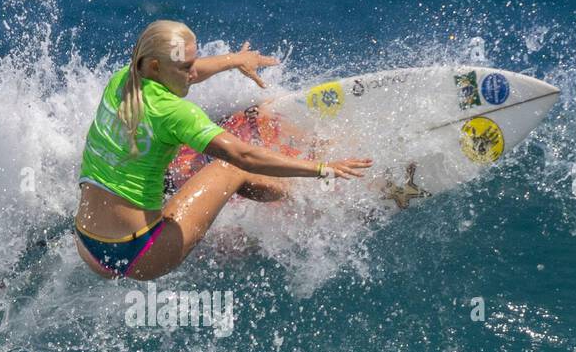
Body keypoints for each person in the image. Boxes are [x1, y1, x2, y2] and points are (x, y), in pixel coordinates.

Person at [75, 20, 372, 280]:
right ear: (155, 66)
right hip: (142, 255)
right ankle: (301, 199)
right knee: (230, 168)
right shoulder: (176, 113)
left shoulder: (122, 80)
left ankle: (171, 182)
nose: (193, 73)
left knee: (158, 155)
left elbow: (184, 70)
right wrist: (322, 169)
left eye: (194, 62)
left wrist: (235, 60)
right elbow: (243, 155)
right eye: (185, 67)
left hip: (89, 246)